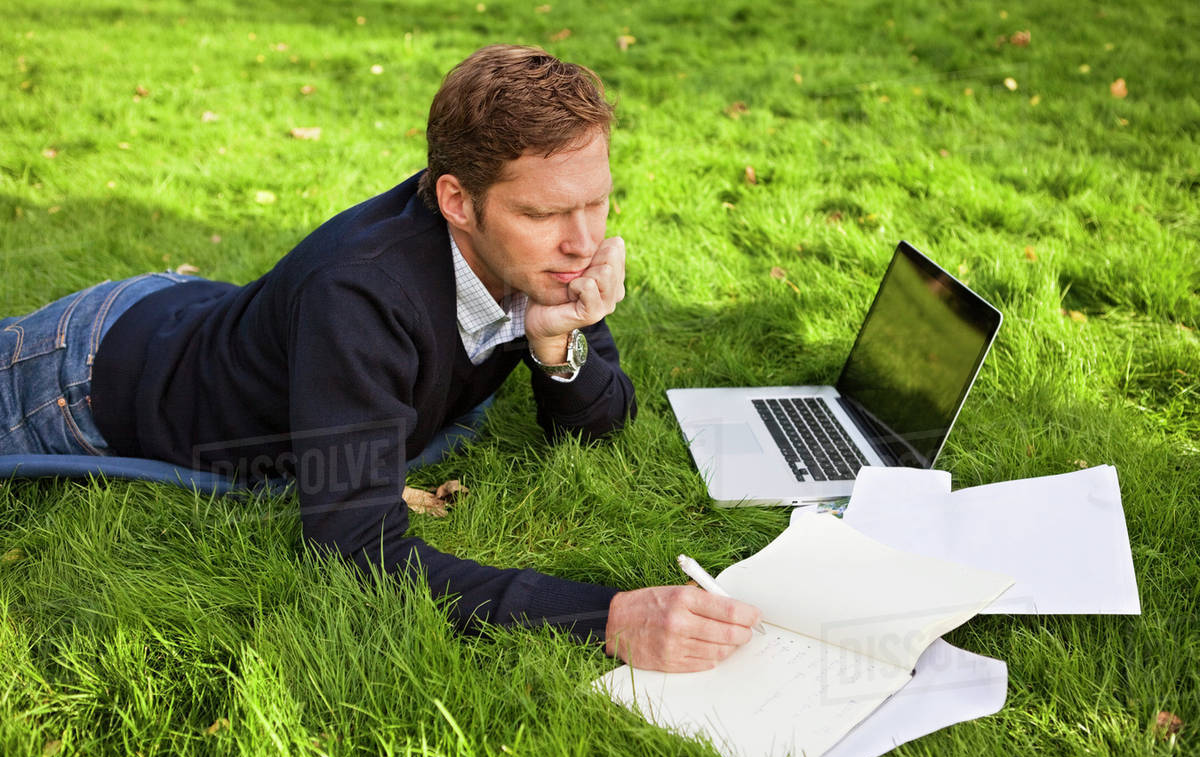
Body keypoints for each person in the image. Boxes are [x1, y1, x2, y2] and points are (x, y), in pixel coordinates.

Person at [0, 45, 760, 672]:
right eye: (543, 212)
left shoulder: (545, 255)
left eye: (597, 201)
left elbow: (598, 429)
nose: (584, 240)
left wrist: (557, 344)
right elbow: (356, 550)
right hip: (79, 369)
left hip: (195, 315)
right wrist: (608, 617)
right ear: (458, 201)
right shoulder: (360, 296)